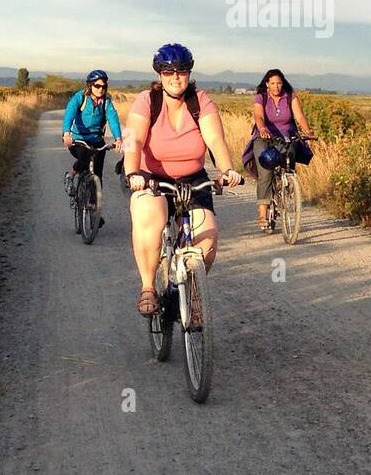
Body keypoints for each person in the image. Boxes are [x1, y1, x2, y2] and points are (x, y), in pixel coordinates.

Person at [123, 44, 243, 314]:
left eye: (181, 71)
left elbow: (215, 139)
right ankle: (148, 288)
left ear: (189, 73)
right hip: (151, 178)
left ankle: (192, 292)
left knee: (207, 239)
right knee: (150, 218)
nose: (175, 77)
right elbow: (135, 139)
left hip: (192, 179)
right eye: (168, 72)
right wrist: (133, 172)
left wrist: (227, 170)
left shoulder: (200, 101)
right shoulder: (147, 100)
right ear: (160, 74)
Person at [243, 68, 314, 230]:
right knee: (266, 170)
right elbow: (258, 116)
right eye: (273, 83)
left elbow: (300, 116)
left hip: (286, 137)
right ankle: (262, 213)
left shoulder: (290, 96)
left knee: (289, 162)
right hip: (264, 137)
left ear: (283, 83)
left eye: (279, 83)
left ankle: (287, 189)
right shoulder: (261, 97)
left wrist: (308, 131)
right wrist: (262, 128)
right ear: (267, 84)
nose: (276, 87)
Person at [63, 70, 122, 200]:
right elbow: (69, 113)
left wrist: (118, 138)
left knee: (98, 174)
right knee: (84, 157)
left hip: (97, 139)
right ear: (90, 85)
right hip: (79, 139)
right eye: (97, 86)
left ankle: (94, 208)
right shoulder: (80, 97)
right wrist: (66, 133)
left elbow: (113, 119)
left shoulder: (106, 102)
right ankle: (71, 175)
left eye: (104, 86)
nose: (101, 89)